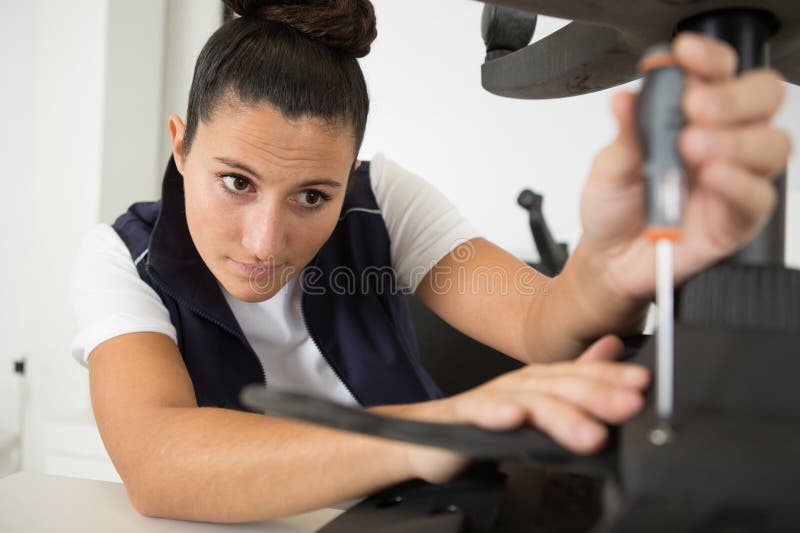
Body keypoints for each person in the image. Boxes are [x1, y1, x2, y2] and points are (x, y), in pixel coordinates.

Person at [70, 0, 790, 524]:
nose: (264, 241)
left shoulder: (380, 198)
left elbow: (543, 323)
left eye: (312, 195)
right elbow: (159, 459)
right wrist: (429, 431)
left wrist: (609, 265)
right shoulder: (120, 260)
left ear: (347, 171)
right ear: (181, 145)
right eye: (236, 182)